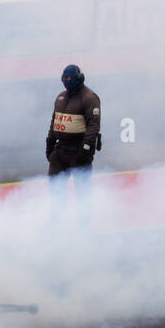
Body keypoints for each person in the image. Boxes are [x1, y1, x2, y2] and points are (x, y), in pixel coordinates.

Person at [46, 63, 100, 221]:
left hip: (78, 152)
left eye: (70, 79)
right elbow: (54, 122)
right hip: (60, 150)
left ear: (79, 78)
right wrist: (50, 145)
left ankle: (84, 226)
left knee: (83, 191)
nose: (67, 81)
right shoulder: (60, 97)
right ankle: (56, 222)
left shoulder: (90, 98)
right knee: (56, 188)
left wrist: (85, 149)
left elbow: (93, 126)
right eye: (65, 79)